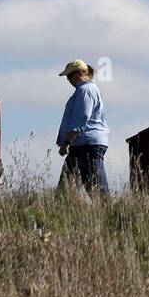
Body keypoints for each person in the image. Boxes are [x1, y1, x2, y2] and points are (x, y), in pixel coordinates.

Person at [56, 59, 110, 195]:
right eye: (67, 77)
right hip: (81, 145)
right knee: (65, 190)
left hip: (87, 145)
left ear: (81, 73)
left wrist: (66, 143)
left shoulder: (85, 90)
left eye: (70, 75)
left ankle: (108, 212)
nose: (69, 79)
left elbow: (81, 119)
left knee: (97, 189)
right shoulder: (86, 90)